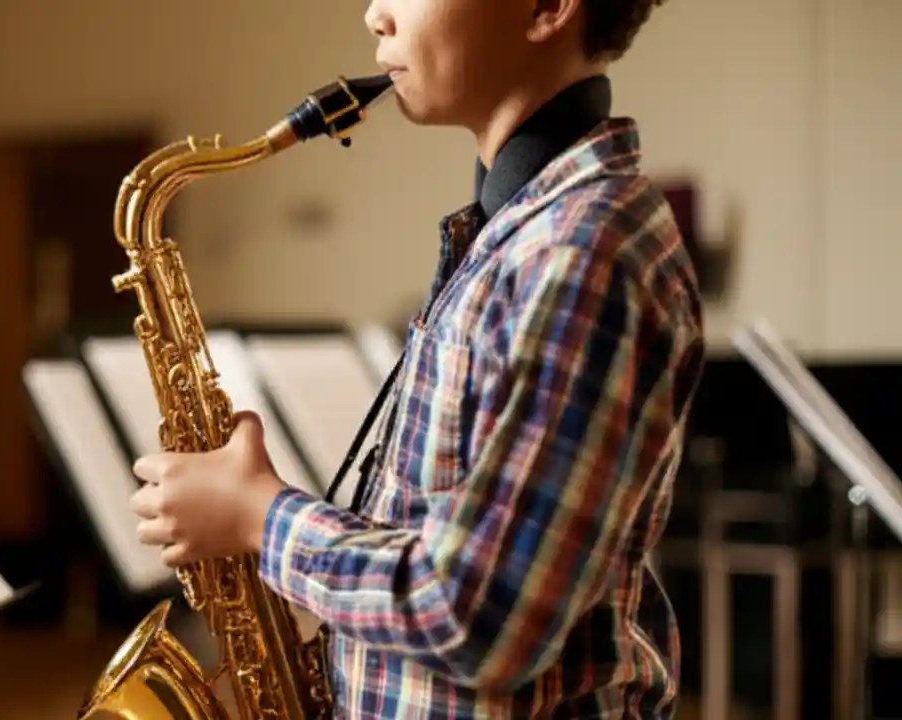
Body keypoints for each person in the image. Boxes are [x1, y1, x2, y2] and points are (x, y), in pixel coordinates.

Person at [129, 0, 704, 716]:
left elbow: (481, 611)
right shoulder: (516, 233)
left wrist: (257, 516)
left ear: (547, 8)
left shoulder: (583, 251)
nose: (375, 14)